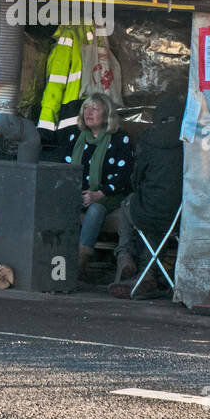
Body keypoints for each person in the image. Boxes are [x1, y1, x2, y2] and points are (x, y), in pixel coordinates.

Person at [109, 94, 185, 299]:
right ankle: (147, 274)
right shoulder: (189, 141)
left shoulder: (149, 139)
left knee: (131, 205)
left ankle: (125, 257)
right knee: (154, 218)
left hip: (149, 211)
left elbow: (136, 177)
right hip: (181, 217)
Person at [64, 93, 134, 281]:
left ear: (107, 114)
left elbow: (125, 176)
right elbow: (64, 169)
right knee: (61, 205)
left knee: (95, 210)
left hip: (110, 193)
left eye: (94, 109)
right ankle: (60, 257)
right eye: (86, 108)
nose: (88, 112)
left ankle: (79, 262)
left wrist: (98, 194)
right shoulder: (75, 136)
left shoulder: (120, 138)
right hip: (77, 191)